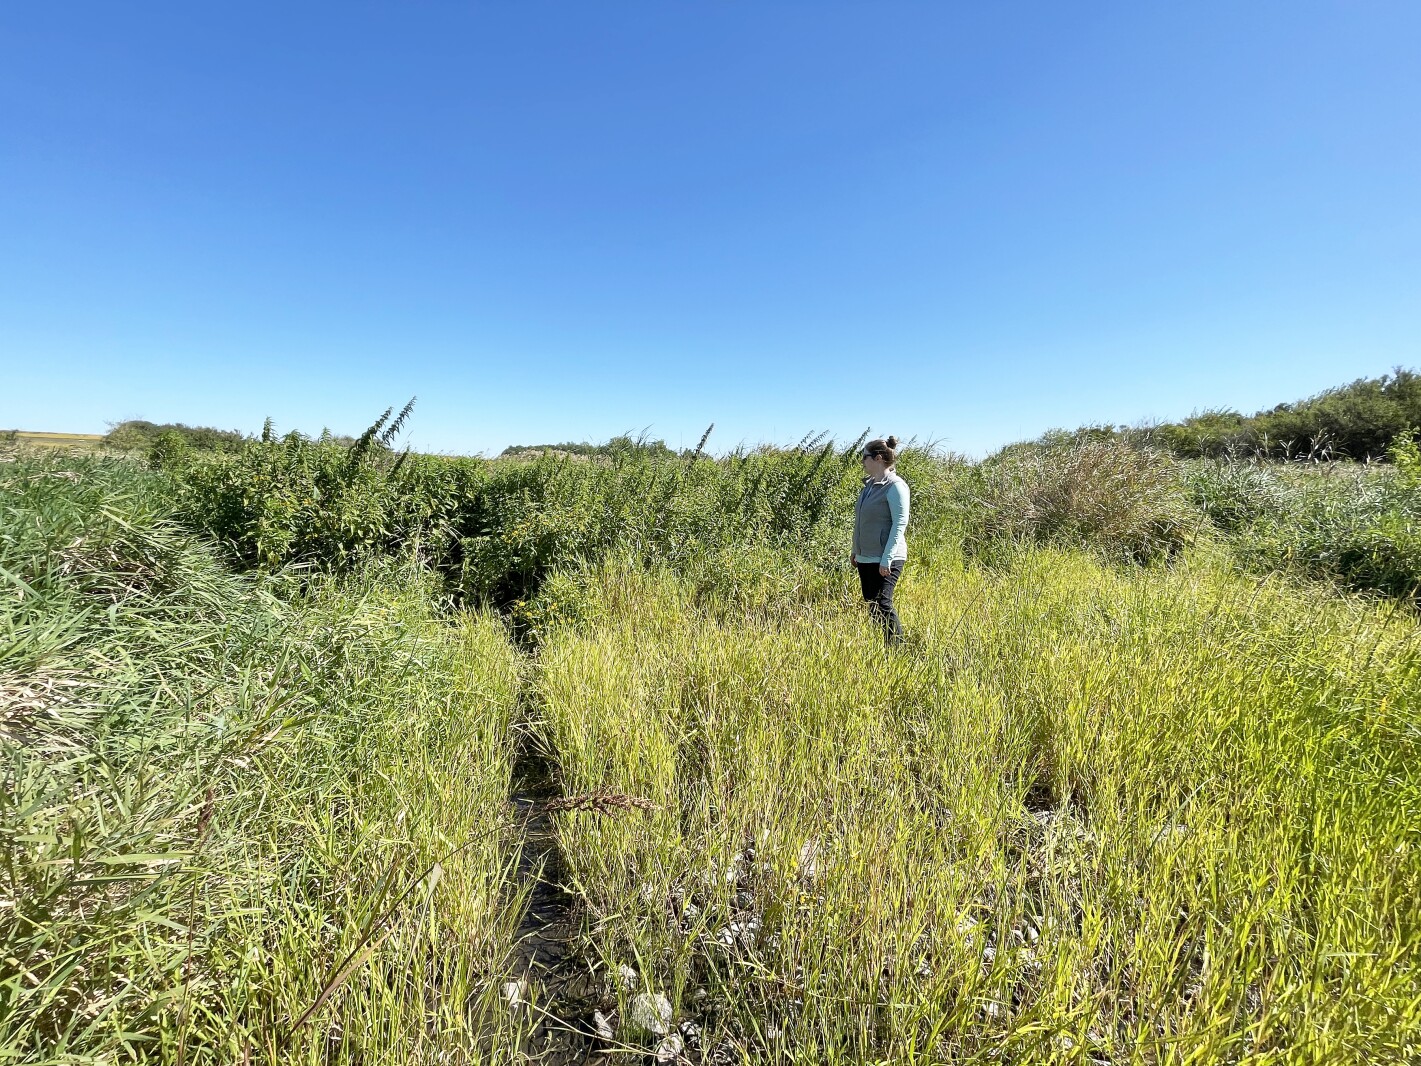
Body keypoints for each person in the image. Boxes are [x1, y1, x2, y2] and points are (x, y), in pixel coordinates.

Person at [851, 436, 910, 645]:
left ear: (877, 458)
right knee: (872, 603)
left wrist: (887, 558)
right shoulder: (868, 486)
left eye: (864, 457)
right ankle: (885, 644)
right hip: (866, 556)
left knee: (883, 602)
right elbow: (861, 521)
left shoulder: (895, 486)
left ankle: (897, 649)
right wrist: (855, 550)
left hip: (887, 558)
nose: (862, 461)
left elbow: (899, 524)